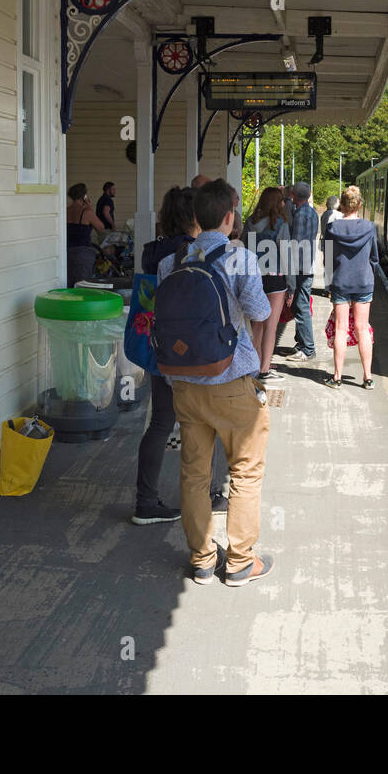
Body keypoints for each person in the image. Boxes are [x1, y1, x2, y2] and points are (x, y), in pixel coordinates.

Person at [158, 179, 274, 587]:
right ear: (229, 217)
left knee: (193, 471)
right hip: (229, 381)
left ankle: (202, 559)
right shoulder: (240, 258)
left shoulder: (170, 262)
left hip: (184, 386)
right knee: (244, 469)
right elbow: (260, 313)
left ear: (195, 217)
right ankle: (240, 561)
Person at [133, 186, 228, 524]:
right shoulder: (191, 253)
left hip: (160, 349)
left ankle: (146, 501)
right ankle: (211, 493)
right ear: (194, 219)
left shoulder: (151, 253)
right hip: (194, 354)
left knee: (160, 423)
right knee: (204, 424)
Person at [323, 185, 378, 389]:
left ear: (342, 206)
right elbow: (374, 258)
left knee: (340, 329)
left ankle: (337, 377)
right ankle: (368, 377)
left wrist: (329, 282)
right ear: (359, 205)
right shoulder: (369, 227)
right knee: (363, 328)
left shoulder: (332, 229)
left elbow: (327, 259)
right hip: (364, 282)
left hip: (340, 282)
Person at [243, 187, 293, 382]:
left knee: (256, 325)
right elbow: (287, 257)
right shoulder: (280, 224)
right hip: (275, 279)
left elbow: (244, 250)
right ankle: (265, 370)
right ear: (277, 203)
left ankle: (253, 368)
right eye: (281, 201)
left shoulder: (250, 223)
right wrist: (292, 285)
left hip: (254, 278)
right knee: (270, 328)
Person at [283, 182, 319, 364]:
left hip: (300, 267)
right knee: (301, 303)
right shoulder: (312, 212)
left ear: (294, 195)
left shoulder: (300, 214)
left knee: (301, 305)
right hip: (307, 265)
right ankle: (302, 343)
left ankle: (307, 348)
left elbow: (295, 243)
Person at [66, 183, 105, 283]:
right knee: (83, 285)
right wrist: (90, 208)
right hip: (83, 253)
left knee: (69, 283)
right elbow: (101, 228)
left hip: (67, 252)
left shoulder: (65, 211)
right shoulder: (87, 212)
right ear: (84, 196)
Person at [319, 195, 342, 278]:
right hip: (334, 243)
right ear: (335, 204)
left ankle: (327, 287)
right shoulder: (337, 214)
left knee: (327, 264)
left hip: (325, 241)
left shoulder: (324, 214)